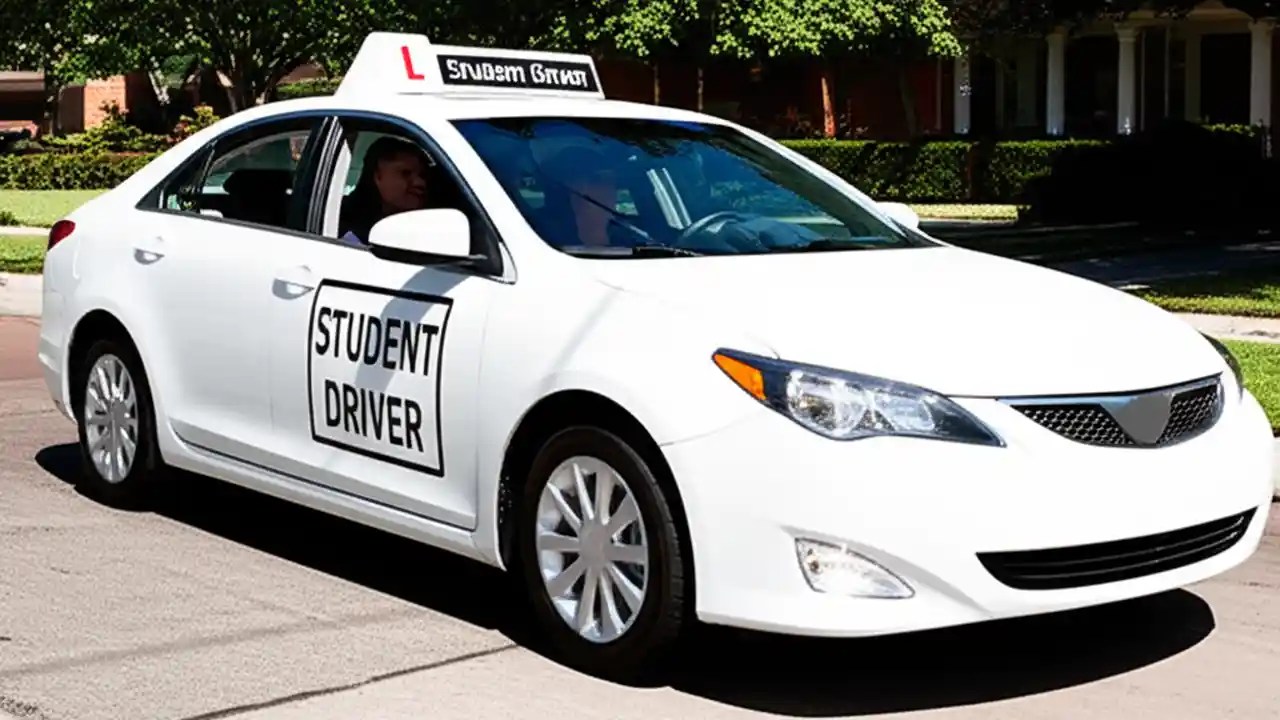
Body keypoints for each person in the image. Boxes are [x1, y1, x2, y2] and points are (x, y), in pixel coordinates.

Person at [338, 136, 432, 246]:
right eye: (405, 173)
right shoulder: (341, 224)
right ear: (378, 176)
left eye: (422, 175)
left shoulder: (430, 229)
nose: (420, 183)